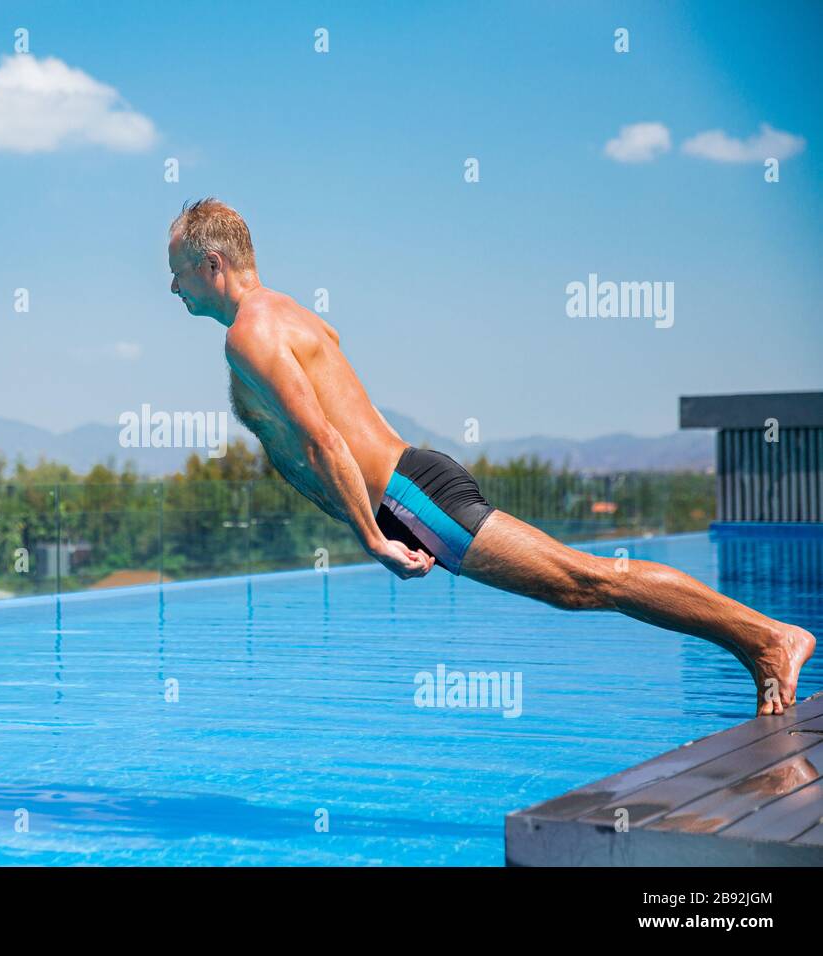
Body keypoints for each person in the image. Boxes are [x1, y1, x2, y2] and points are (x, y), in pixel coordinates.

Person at [166, 197, 814, 716]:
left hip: (407, 498)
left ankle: (768, 638)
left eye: (178, 271)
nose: (172, 288)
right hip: (415, 484)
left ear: (214, 263)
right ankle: (756, 644)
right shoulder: (288, 315)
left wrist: (372, 537)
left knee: (586, 579)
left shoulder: (251, 332)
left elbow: (323, 440)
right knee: (580, 586)